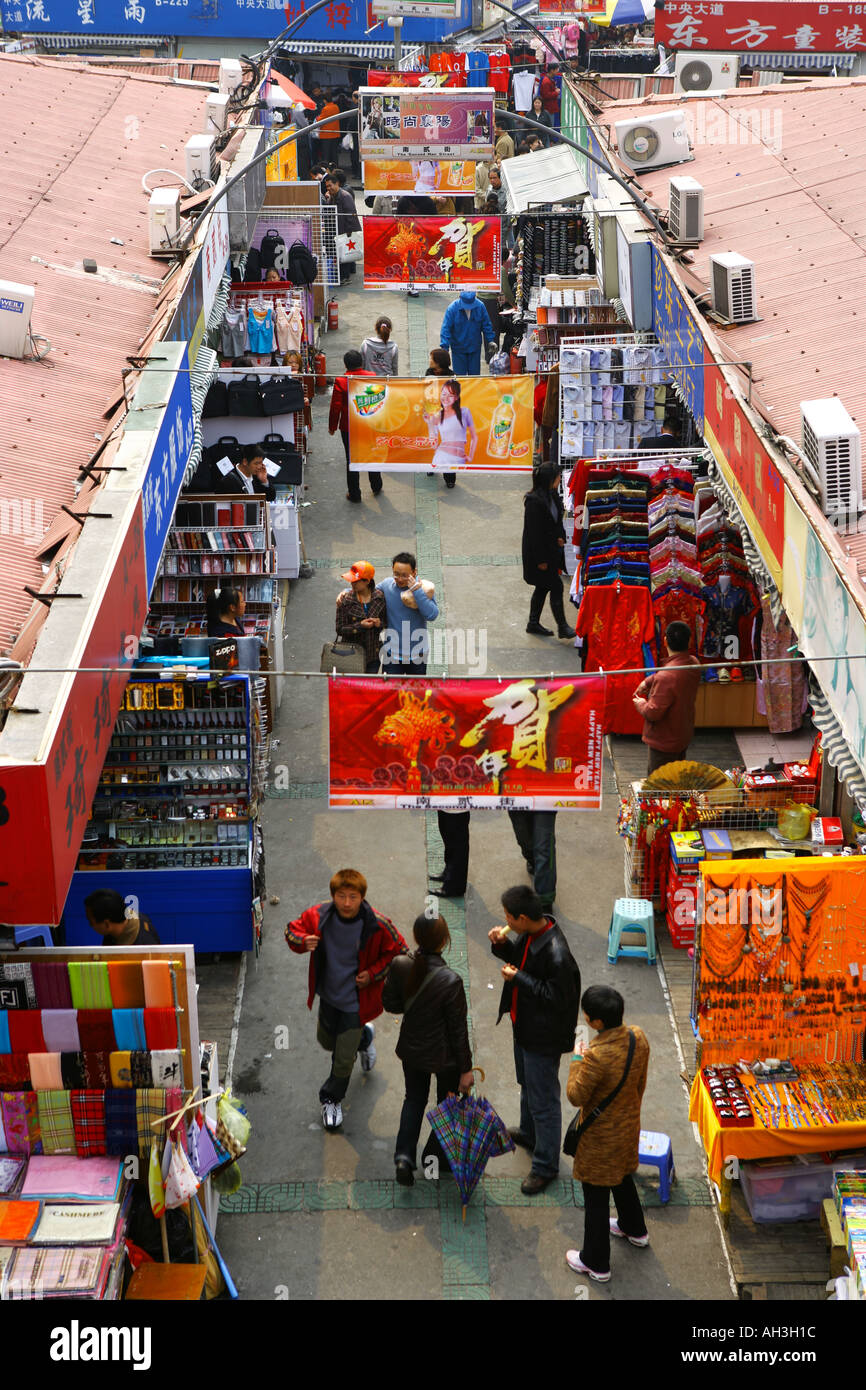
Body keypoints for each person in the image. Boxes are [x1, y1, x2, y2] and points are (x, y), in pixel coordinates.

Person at [285, 868, 407, 1131]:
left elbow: (400, 952)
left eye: (353, 896)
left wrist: (373, 974)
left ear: (363, 897)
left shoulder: (378, 923)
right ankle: (366, 1039)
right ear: (333, 896)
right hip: (328, 996)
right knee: (327, 1041)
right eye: (342, 896)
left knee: (342, 1058)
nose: (347, 903)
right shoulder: (318, 916)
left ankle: (331, 1099)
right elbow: (291, 931)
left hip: (356, 1002)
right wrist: (303, 941)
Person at [488, 884, 581, 1194]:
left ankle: (545, 1166)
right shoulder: (532, 934)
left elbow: (556, 997)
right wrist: (502, 947)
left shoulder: (557, 954)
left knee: (544, 1101)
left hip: (543, 1036)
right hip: (524, 1026)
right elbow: (518, 958)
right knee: (527, 1085)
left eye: (509, 918)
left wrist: (519, 979)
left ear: (523, 918)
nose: (506, 922)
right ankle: (529, 1133)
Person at [565, 985, 650, 1284]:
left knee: (596, 1195)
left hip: (600, 1139)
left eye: (586, 1015)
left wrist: (577, 1059)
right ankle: (634, 1228)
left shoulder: (595, 1056)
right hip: (628, 1127)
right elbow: (640, 1083)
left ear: (596, 1022)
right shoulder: (637, 1037)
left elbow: (575, 1096)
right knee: (623, 1176)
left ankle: (596, 1262)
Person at [382, 912, 473, 1186]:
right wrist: (466, 1069)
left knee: (413, 1099)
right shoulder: (451, 981)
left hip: (412, 1050)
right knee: (446, 1103)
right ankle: (436, 1156)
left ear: (416, 937)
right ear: (444, 941)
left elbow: (391, 1004)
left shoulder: (399, 965)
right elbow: (459, 1031)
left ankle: (403, 1158)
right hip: (444, 1058)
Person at [632, 620, 702, 774]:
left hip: (664, 741)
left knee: (659, 788)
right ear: (689, 640)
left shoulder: (666, 677)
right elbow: (671, 672)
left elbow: (653, 712)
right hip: (682, 734)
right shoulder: (694, 664)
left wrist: (641, 703)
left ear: (665, 641)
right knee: (676, 781)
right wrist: (648, 681)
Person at [521, 464, 574, 639]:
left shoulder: (552, 496)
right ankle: (563, 627)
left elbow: (557, 521)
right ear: (549, 479)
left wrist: (561, 536)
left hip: (551, 551)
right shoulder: (534, 502)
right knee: (556, 586)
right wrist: (541, 560)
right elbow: (534, 534)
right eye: (558, 477)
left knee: (543, 587)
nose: (560, 480)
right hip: (539, 555)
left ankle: (533, 623)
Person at [328, 348, 383, 503]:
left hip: (349, 427)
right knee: (371, 454)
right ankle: (376, 485)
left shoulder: (341, 381)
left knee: (351, 459)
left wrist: (332, 427)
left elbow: (335, 407)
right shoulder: (372, 377)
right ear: (361, 362)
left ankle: (355, 494)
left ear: (346, 365)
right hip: (369, 424)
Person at [379, 551, 439, 676]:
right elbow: (368, 593)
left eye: (404, 575)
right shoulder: (387, 585)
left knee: (416, 694)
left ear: (414, 572)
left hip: (418, 654)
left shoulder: (423, 589)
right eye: (396, 574)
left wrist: (416, 591)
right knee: (391, 694)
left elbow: (432, 615)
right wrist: (346, 591)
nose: (400, 579)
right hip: (392, 654)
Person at [335, 561, 385, 674]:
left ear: (367, 581)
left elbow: (385, 622)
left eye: (356, 581)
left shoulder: (379, 597)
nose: (352, 583)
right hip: (351, 654)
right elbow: (339, 629)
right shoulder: (346, 600)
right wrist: (359, 626)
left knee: (369, 687)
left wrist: (379, 623)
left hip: (373, 655)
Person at [507, 809, 559, 909]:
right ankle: (532, 860)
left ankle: (545, 902)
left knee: (544, 847)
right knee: (524, 840)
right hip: (518, 797)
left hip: (545, 798)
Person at [440, 289, 496, 375]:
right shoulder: (452, 309)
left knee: (474, 377)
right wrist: (444, 348)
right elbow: (446, 329)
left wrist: (490, 340)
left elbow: (487, 325)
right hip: (458, 349)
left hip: (474, 348)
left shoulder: (480, 306)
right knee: (460, 377)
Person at [430, 379, 477, 481]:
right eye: (443, 394)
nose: (446, 398)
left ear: (456, 398)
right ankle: (432, 470)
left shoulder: (464, 412)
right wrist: (429, 424)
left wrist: (470, 456)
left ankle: (436, 473)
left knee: (451, 477)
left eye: (450, 395)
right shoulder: (437, 414)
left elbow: (474, 437)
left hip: (459, 459)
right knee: (448, 481)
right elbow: (433, 444)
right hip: (442, 457)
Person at [425, 348, 457, 489]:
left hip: (448, 416)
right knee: (433, 441)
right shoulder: (429, 373)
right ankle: (432, 466)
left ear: (438, 362)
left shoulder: (452, 375)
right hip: (432, 413)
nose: (429, 361)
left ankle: (449, 477)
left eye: (431, 358)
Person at [84, 889, 161, 946]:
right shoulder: (131, 917)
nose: (90, 925)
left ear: (107, 924)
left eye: (91, 922)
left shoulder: (142, 948)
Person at [325, 169, 360, 280]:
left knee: (345, 255)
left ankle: (344, 278)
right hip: (338, 232)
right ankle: (345, 274)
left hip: (345, 232)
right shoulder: (332, 197)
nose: (328, 188)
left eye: (330, 185)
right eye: (327, 186)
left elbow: (351, 216)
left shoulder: (345, 196)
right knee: (343, 255)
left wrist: (348, 234)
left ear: (337, 184)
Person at [430, 808, 470, 897]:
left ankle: (454, 887)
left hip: (457, 807)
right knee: (448, 837)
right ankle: (449, 873)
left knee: (457, 844)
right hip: (444, 802)